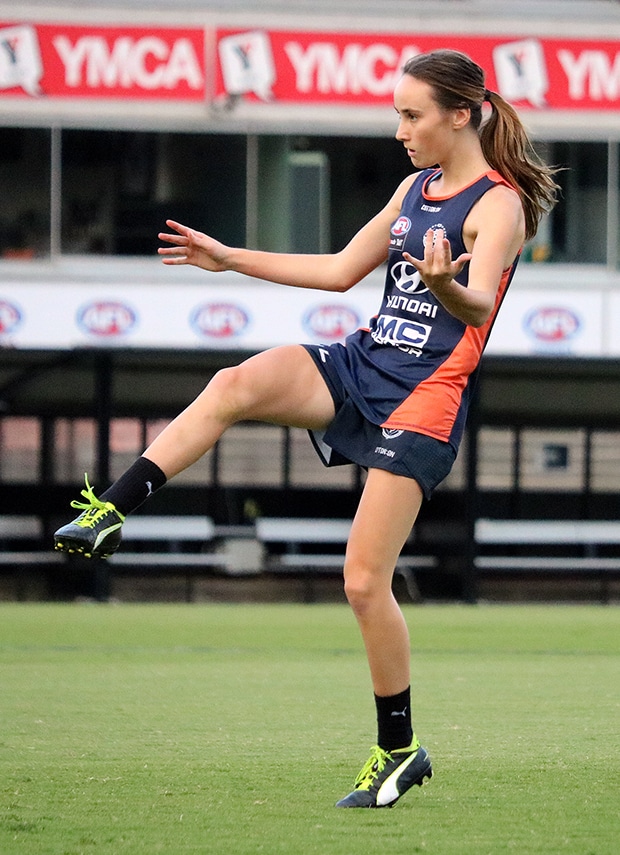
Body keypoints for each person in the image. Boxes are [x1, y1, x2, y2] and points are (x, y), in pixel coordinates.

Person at [54, 49, 559, 808]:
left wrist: (444, 285)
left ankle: (399, 751)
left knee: (363, 582)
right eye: (397, 115)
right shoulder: (414, 188)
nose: (399, 130)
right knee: (234, 384)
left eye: (411, 115)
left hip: (425, 396)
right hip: (365, 363)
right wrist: (228, 258)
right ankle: (110, 511)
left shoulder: (499, 206)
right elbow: (337, 270)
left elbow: (480, 304)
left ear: (461, 115)